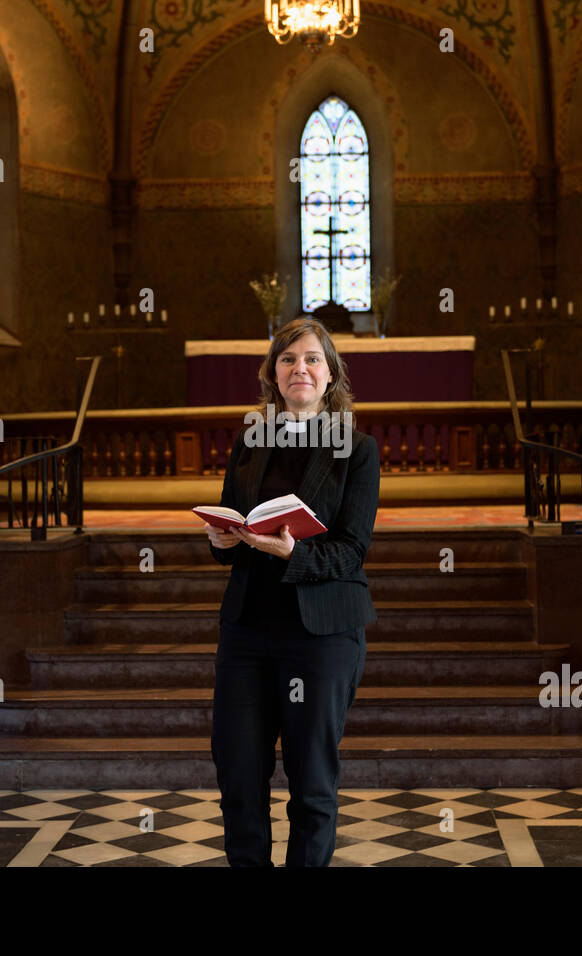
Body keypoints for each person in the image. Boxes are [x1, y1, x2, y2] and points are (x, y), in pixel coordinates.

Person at [203, 317, 380, 867]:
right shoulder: (249, 443)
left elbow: (352, 550)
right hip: (249, 629)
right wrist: (221, 539)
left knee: (311, 784)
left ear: (330, 376)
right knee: (239, 775)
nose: (298, 367)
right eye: (287, 359)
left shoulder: (358, 449)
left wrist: (295, 554)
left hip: (321, 633)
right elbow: (234, 527)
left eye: (311, 359)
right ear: (273, 374)